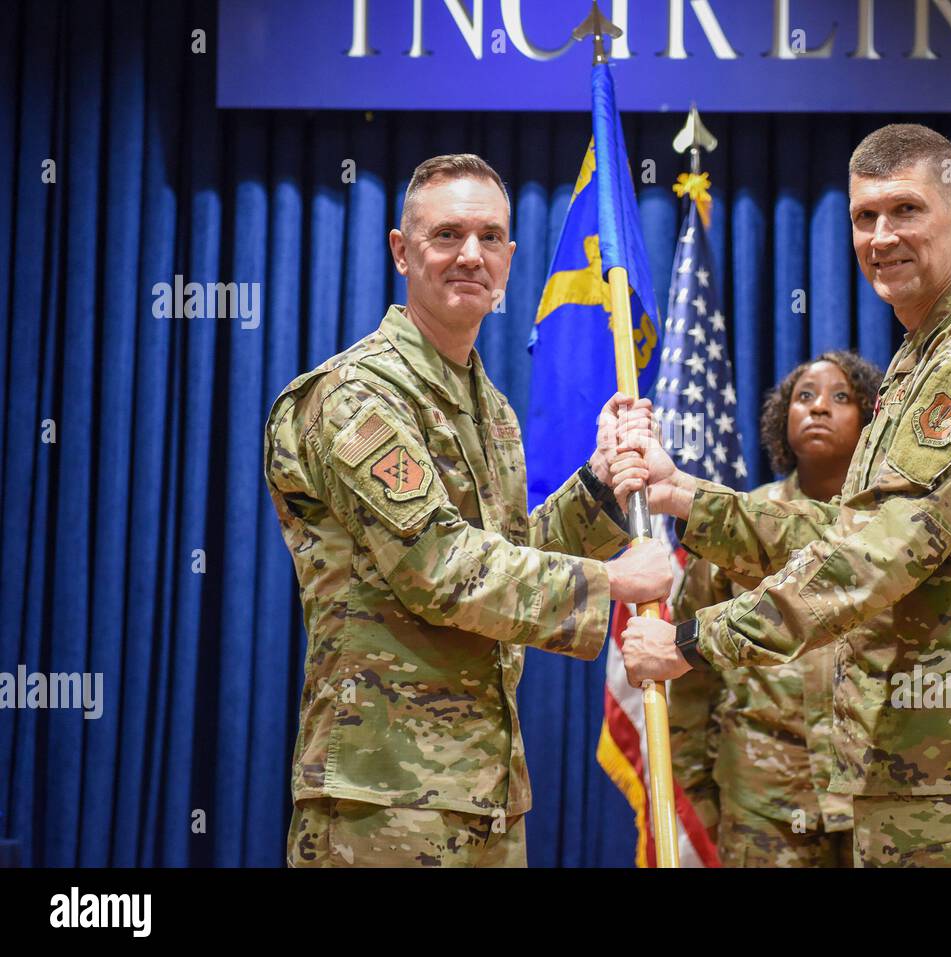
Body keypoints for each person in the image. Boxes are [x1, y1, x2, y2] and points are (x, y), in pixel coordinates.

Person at [615, 124, 951, 867]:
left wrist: (691, 642)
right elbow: (847, 529)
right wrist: (685, 496)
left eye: (906, 210)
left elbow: (873, 555)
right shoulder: (920, 358)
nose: (882, 235)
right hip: (920, 763)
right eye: (864, 216)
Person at [264, 154, 671, 868]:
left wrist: (600, 488)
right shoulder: (355, 396)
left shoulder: (493, 411)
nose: (470, 255)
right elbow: (441, 568)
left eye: (489, 238)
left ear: (511, 258)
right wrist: (614, 582)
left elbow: (511, 550)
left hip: (485, 794)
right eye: (447, 234)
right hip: (382, 800)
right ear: (401, 250)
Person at [670, 351, 882, 868]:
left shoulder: (895, 528)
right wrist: (700, 790)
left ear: (871, 419)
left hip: (878, 797)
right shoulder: (734, 526)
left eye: (840, 397)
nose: (818, 409)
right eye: (803, 396)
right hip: (763, 802)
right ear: (781, 418)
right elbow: (689, 663)